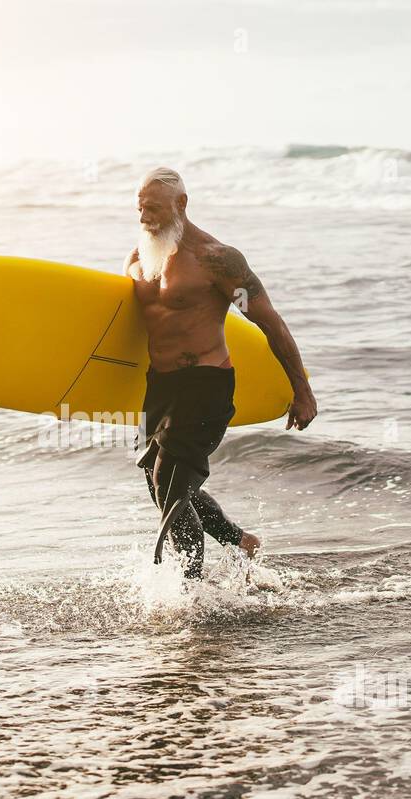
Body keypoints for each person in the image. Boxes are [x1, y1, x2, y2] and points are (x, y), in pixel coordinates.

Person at [124, 167, 317, 578]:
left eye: (154, 208)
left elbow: (269, 322)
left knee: (170, 489)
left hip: (205, 385)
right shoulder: (139, 258)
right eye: (140, 208)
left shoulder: (217, 260)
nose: (144, 217)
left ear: (182, 204)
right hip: (160, 387)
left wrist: (302, 391)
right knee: (155, 477)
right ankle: (242, 541)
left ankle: (189, 592)